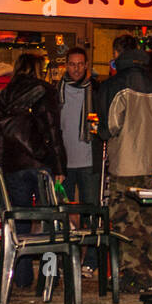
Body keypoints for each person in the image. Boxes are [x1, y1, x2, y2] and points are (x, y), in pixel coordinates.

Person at [96, 34, 152, 293]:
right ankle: (147, 275)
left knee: (125, 224)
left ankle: (129, 276)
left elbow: (111, 126)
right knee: (148, 224)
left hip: (125, 166)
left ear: (118, 55)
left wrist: (98, 130)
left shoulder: (117, 84)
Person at [0, 53, 65, 289]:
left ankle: (22, 279)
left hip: (13, 166)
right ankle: (48, 277)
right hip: (41, 164)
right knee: (49, 222)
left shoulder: (4, 95)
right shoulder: (45, 91)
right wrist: (59, 165)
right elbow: (53, 129)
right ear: (37, 69)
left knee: (18, 222)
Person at [57, 46, 102, 206]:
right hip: (63, 163)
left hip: (89, 162)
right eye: (72, 64)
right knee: (62, 211)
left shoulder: (97, 90)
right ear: (66, 66)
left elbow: (102, 123)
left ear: (86, 65)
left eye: (80, 64)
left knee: (90, 210)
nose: (76, 69)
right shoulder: (57, 90)